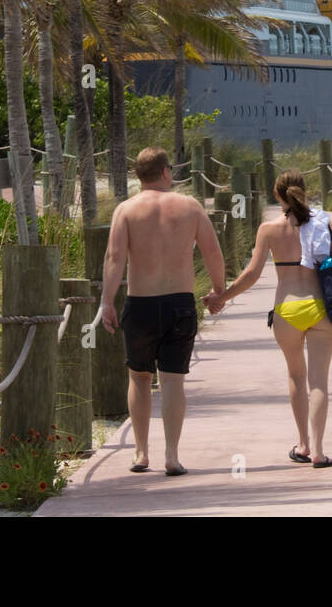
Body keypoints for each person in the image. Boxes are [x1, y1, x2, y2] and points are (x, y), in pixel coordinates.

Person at [203, 169, 332, 468]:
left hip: (288, 310)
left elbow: (252, 274)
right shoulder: (322, 221)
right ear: (303, 191)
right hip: (321, 308)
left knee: (297, 376)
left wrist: (222, 297)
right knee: (319, 381)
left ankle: (303, 444)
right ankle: (320, 451)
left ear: (277, 195)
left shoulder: (268, 230)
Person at [101, 147, 225, 475]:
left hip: (141, 304)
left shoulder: (125, 211)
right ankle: (171, 455)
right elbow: (212, 250)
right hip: (180, 305)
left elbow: (115, 258)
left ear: (139, 176)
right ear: (166, 172)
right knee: (172, 381)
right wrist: (218, 291)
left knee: (139, 378)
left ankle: (141, 454)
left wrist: (106, 301)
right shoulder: (189, 207)